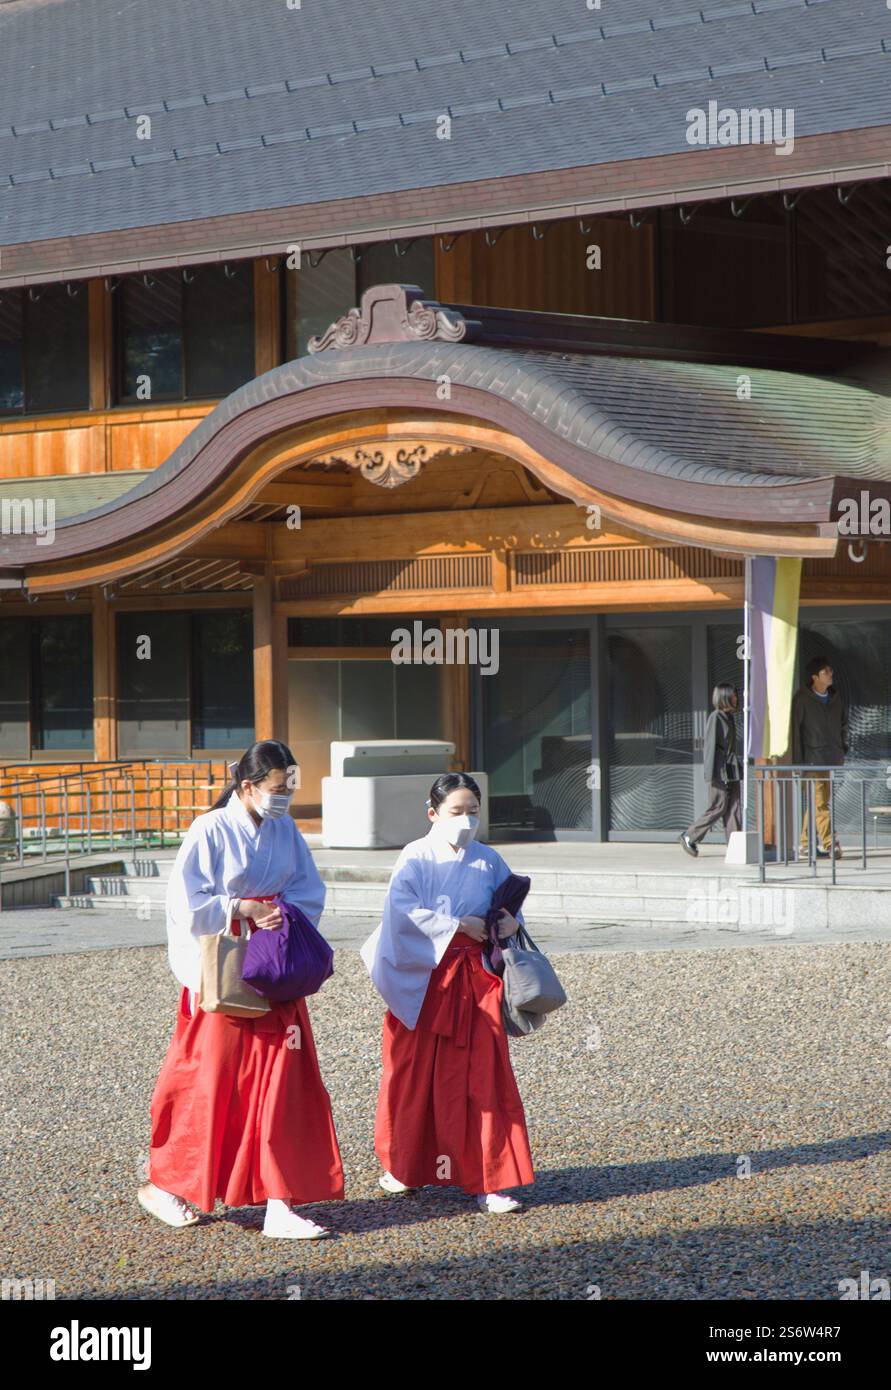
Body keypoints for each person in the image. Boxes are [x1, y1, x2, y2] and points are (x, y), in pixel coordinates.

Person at [138, 739, 344, 1238]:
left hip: (273, 965)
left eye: (289, 788)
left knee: (281, 1084)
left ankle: (278, 1201)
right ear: (247, 785)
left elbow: (307, 889)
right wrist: (241, 908)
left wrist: (280, 914)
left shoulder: (285, 828)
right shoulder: (209, 828)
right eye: (277, 788)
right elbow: (186, 904)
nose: (285, 798)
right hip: (224, 969)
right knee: (208, 1080)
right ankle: (166, 1184)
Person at [360, 772, 534, 1214]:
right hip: (425, 977)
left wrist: (510, 923)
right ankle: (404, 1165)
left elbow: (507, 906)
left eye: (473, 812)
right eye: (456, 812)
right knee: (412, 1074)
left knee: (483, 1077)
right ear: (433, 813)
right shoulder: (416, 857)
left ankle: (488, 1179)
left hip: (475, 980)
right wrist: (456, 924)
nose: (466, 820)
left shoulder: (488, 859)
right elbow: (400, 913)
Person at [791, 656, 847, 860]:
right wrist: (797, 763)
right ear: (815, 677)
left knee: (818, 803)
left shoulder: (835, 697)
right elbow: (795, 732)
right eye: (826, 672)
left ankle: (805, 843)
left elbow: (843, 724)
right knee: (821, 803)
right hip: (812, 760)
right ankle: (830, 842)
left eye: (830, 670)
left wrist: (843, 748)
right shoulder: (802, 699)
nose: (830, 674)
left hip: (832, 757)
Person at [680, 683, 742, 856]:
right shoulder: (716, 718)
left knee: (734, 807)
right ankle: (689, 836)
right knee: (719, 806)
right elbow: (710, 748)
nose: (737, 698)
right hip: (720, 770)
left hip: (731, 769)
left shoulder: (729, 717)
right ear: (724, 697)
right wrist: (711, 774)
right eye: (733, 695)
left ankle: (735, 846)